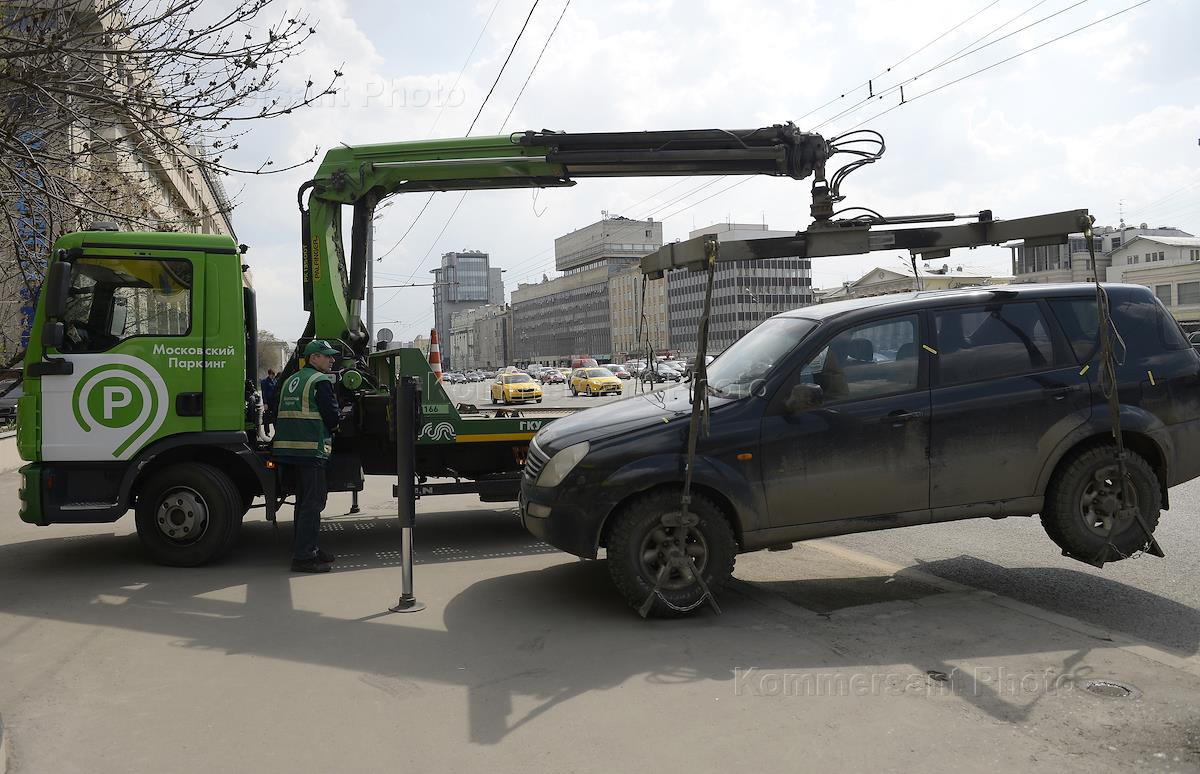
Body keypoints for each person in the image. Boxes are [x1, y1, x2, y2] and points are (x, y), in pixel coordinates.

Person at [272, 341, 341, 573]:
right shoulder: (319, 381)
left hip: (289, 450)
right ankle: (304, 557)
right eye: (327, 357)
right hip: (311, 449)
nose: (332, 360)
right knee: (313, 503)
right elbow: (332, 416)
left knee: (303, 503)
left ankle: (307, 547)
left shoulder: (292, 379)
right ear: (314, 358)